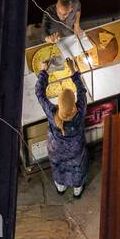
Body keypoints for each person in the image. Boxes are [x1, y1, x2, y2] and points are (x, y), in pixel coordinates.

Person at [35, 58, 89, 196]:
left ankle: (61, 187)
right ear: (74, 105)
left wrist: (43, 71)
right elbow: (82, 90)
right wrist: (73, 70)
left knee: (58, 166)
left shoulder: (52, 112)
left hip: (56, 150)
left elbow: (39, 93)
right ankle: (77, 189)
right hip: (76, 150)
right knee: (77, 167)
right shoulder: (80, 111)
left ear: (59, 104)